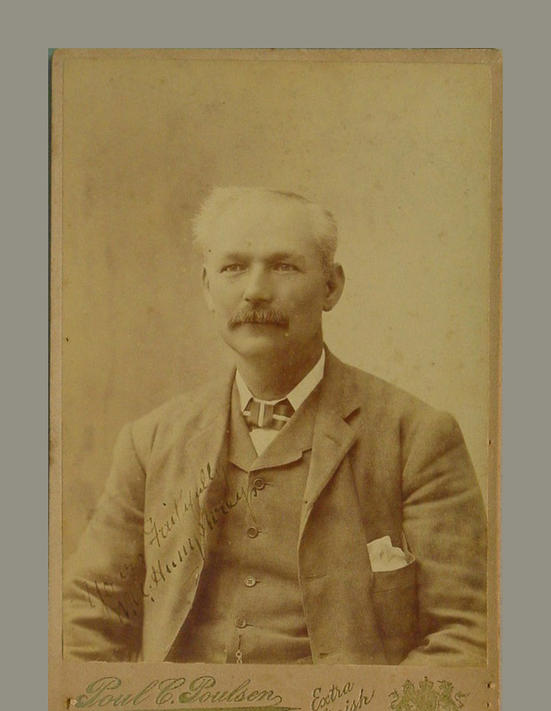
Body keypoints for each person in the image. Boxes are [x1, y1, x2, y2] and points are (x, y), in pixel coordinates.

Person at [63, 186, 487, 665]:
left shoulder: (417, 437)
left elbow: (464, 634)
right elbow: (89, 614)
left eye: (284, 266)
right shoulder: (151, 441)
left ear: (331, 287)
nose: (256, 291)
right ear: (207, 287)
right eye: (233, 267)